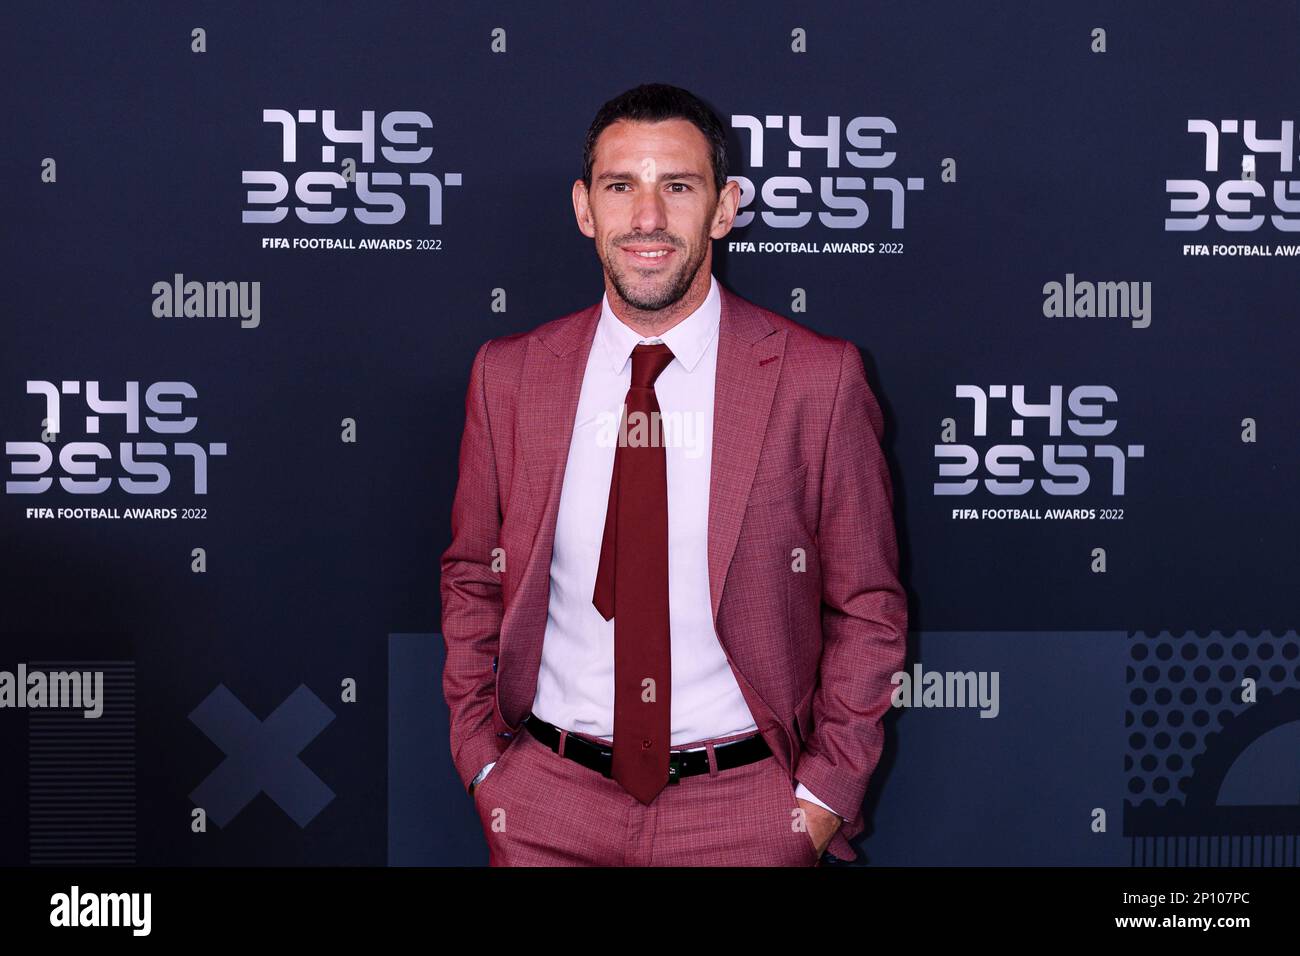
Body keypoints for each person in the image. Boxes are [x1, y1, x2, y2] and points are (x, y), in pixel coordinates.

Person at [440, 82, 907, 866]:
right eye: (623, 187)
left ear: (724, 208)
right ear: (586, 209)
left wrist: (821, 798)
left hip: (747, 816)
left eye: (678, 187)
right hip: (546, 805)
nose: (648, 219)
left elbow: (868, 607)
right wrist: (486, 764)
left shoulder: (817, 379)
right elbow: (471, 579)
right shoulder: (510, 375)